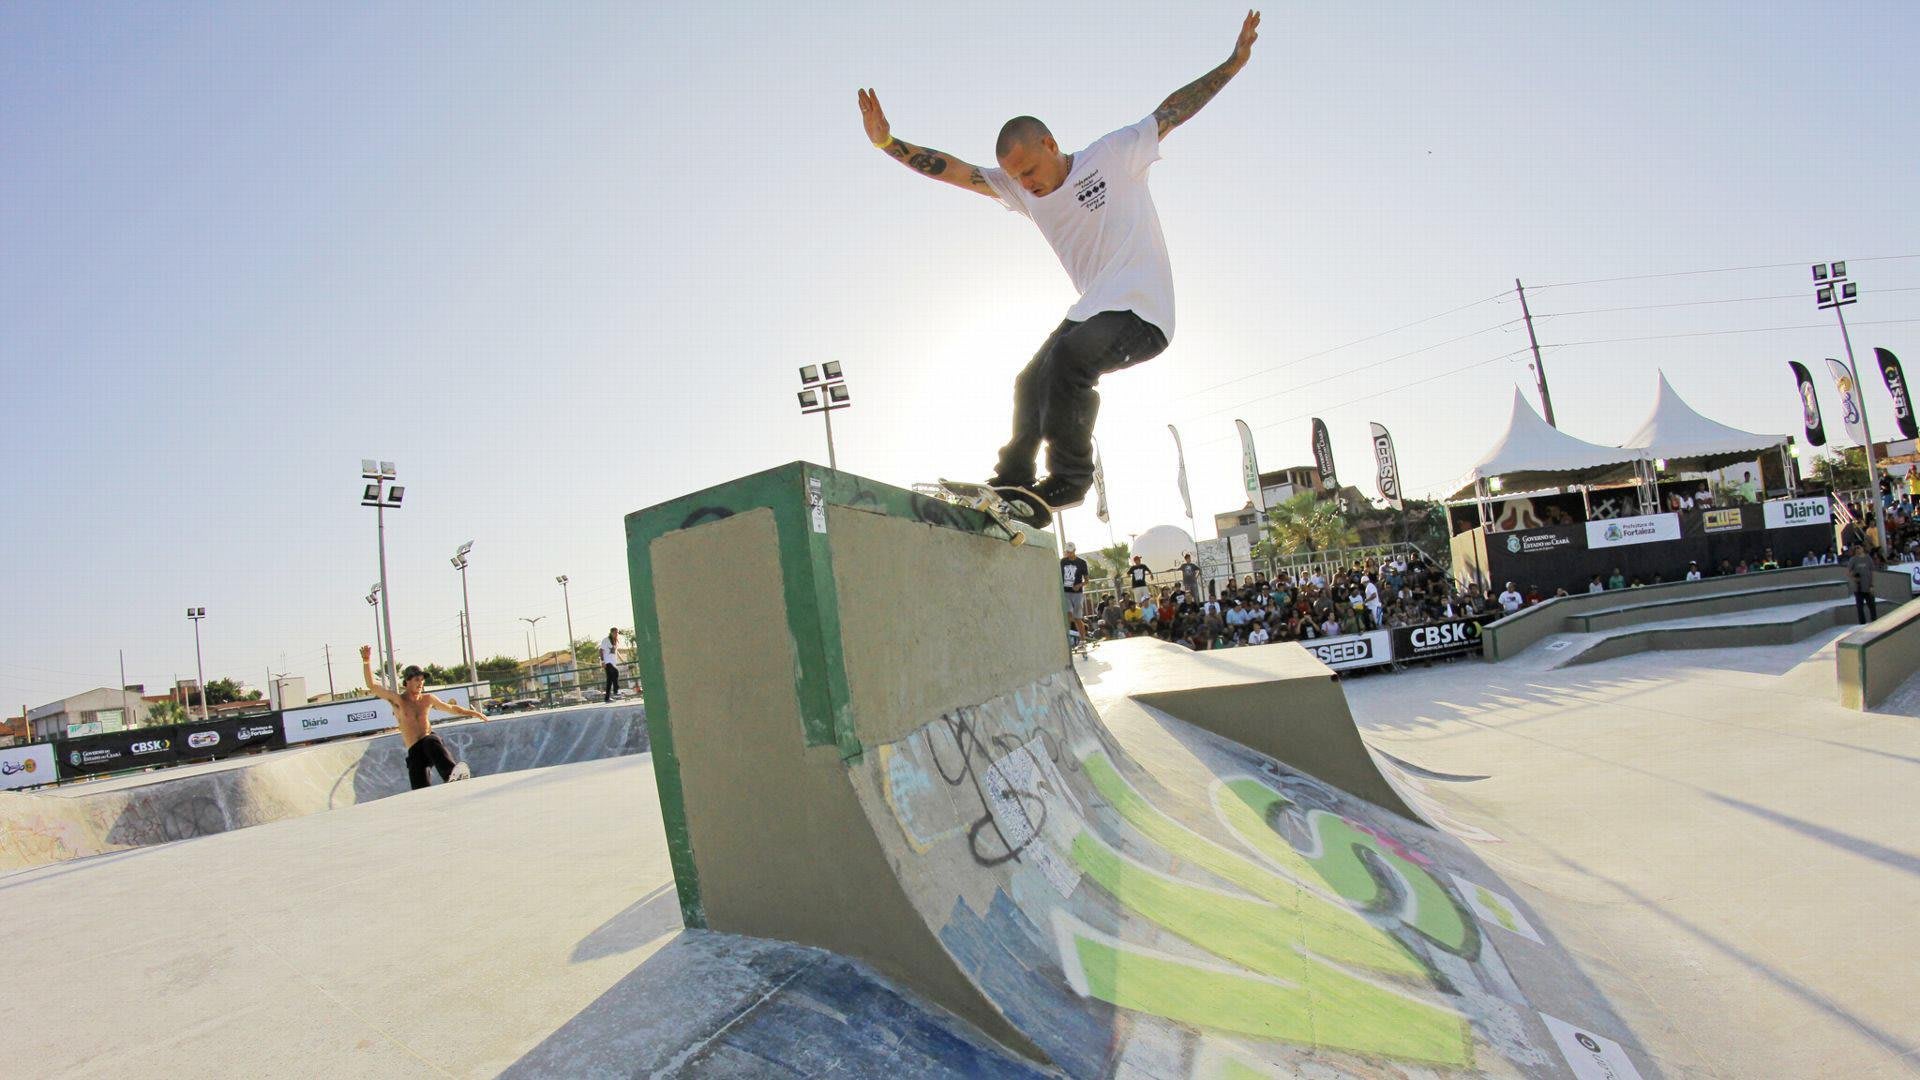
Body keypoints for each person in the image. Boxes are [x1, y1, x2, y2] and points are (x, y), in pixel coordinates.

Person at [857, 12, 1262, 525]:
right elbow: (954, 169)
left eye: (1029, 170)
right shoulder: (1019, 190)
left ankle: (1070, 477)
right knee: (1029, 380)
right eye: (1015, 177)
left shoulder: (1114, 154)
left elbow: (1172, 111)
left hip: (1145, 314)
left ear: (1050, 144)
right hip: (1093, 311)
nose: (1026, 184)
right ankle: (1013, 482)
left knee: (1070, 358)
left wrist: (1233, 63)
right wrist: (887, 144)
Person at [360, 645, 481, 790]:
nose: (421, 683)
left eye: (422, 680)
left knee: (430, 740)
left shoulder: (428, 699)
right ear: (407, 681)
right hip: (414, 752)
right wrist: (366, 662)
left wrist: (473, 713)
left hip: (429, 743)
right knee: (420, 790)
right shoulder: (398, 701)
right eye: (417, 680)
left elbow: (450, 708)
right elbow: (372, 686)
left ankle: (451, 775)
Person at [1060, 542, 1091, 634]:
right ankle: (1071, 637)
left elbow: (1087, 581)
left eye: (1071, 552)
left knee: (1077, 618)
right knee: (1069, 615)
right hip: (1066, 592)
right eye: (1067, 552)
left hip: (1077, 593)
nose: (1069, 554)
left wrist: (1079, 585)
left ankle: (1082, 638)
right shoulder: (1063, 561)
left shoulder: (1082, 563)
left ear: (1074, 550)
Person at [1847, 542, 1879, 624]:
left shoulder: (1868, 558)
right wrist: (1854, 578)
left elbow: (1872, 571)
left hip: (1868, 586)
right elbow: (1848, 572)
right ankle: (1862, 623)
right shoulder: (1853, 559)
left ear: (1862, 548)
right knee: (1860, 607)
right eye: (1856, 548)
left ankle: (1874, 621)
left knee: (1872, 606)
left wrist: (1872, 584)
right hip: (1858, 587)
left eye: (1859, 548)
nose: (1857, 550)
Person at [599, 628, 624, 703]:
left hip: (613, 663)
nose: (616, 634)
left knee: (609, 681)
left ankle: (607, 698)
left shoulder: (615, 641)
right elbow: (600, 651)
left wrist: (622, 660)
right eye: (615, 633)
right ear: (611, 633)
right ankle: (616, 692)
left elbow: (616, 651)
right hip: (607, 663)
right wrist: (602, 661)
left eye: (617, 633)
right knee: (616, 672)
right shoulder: (606, 640)